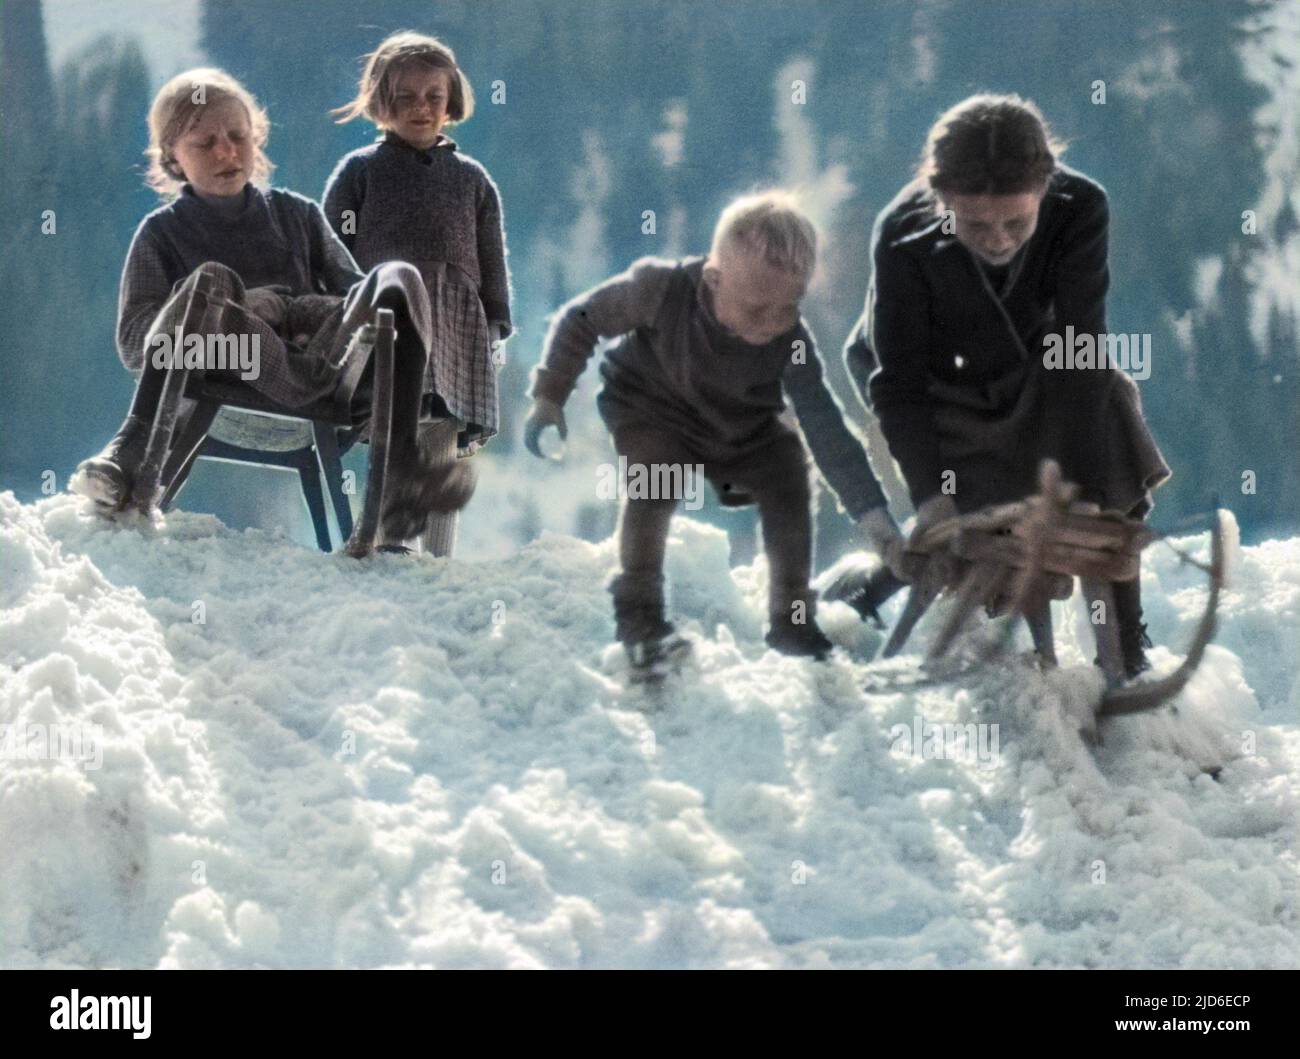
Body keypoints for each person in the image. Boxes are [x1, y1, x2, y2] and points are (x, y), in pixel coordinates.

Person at [843, 93, 1170, 676]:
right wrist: (932, 499)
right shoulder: (901, 232)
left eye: (1017, 221)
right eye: (974, 223)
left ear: (1046, 188)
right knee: (969, 519)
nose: (997, 239)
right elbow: (900, 385)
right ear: (940, 197)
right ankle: (884, 586)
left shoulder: (1081, 206)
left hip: (1031, 361)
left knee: (1112, 401)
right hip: (926, 376)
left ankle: (1124, 643)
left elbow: (1079, 353)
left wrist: (1077, 493)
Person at [70, 67, 468, 540]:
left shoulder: (296, 214)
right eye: (205, 142)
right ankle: (127, 453)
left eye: (238, 135)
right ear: (173, 157)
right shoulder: (161, 235)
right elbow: (137, 343)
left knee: (397, 276)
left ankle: (403, 482)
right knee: (210, 283)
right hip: (225, 372)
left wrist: (287, 309)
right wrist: (220, 314)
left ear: (256, 139)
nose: (226, 151)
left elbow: (355, 297)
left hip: (322, 372)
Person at [524, 191, 898, 677]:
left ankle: (792, 620)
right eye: (757, 308)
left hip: (736, 427)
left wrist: (878, 523)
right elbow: (583, 319)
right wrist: (550, 396)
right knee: (656, 477)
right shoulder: (659, 289)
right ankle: (640, 620)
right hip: (650, 406)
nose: (774, 323)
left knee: (788, 471)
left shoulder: (791, 341)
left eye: (789, 307)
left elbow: (824, 424)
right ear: (713, 279)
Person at [324, 31, 511, 557]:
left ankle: (439, 559)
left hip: (456, 321)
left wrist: (496, 325)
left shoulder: (473, 181)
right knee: (392, 417)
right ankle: (380, 537)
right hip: (386, 319)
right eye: (405, 97)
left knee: (442, 429)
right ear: (382, 101)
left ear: (451, 99)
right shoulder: (360, 173)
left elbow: (491, 262)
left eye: (433, 96)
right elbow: (332, 253)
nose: (421, 108)